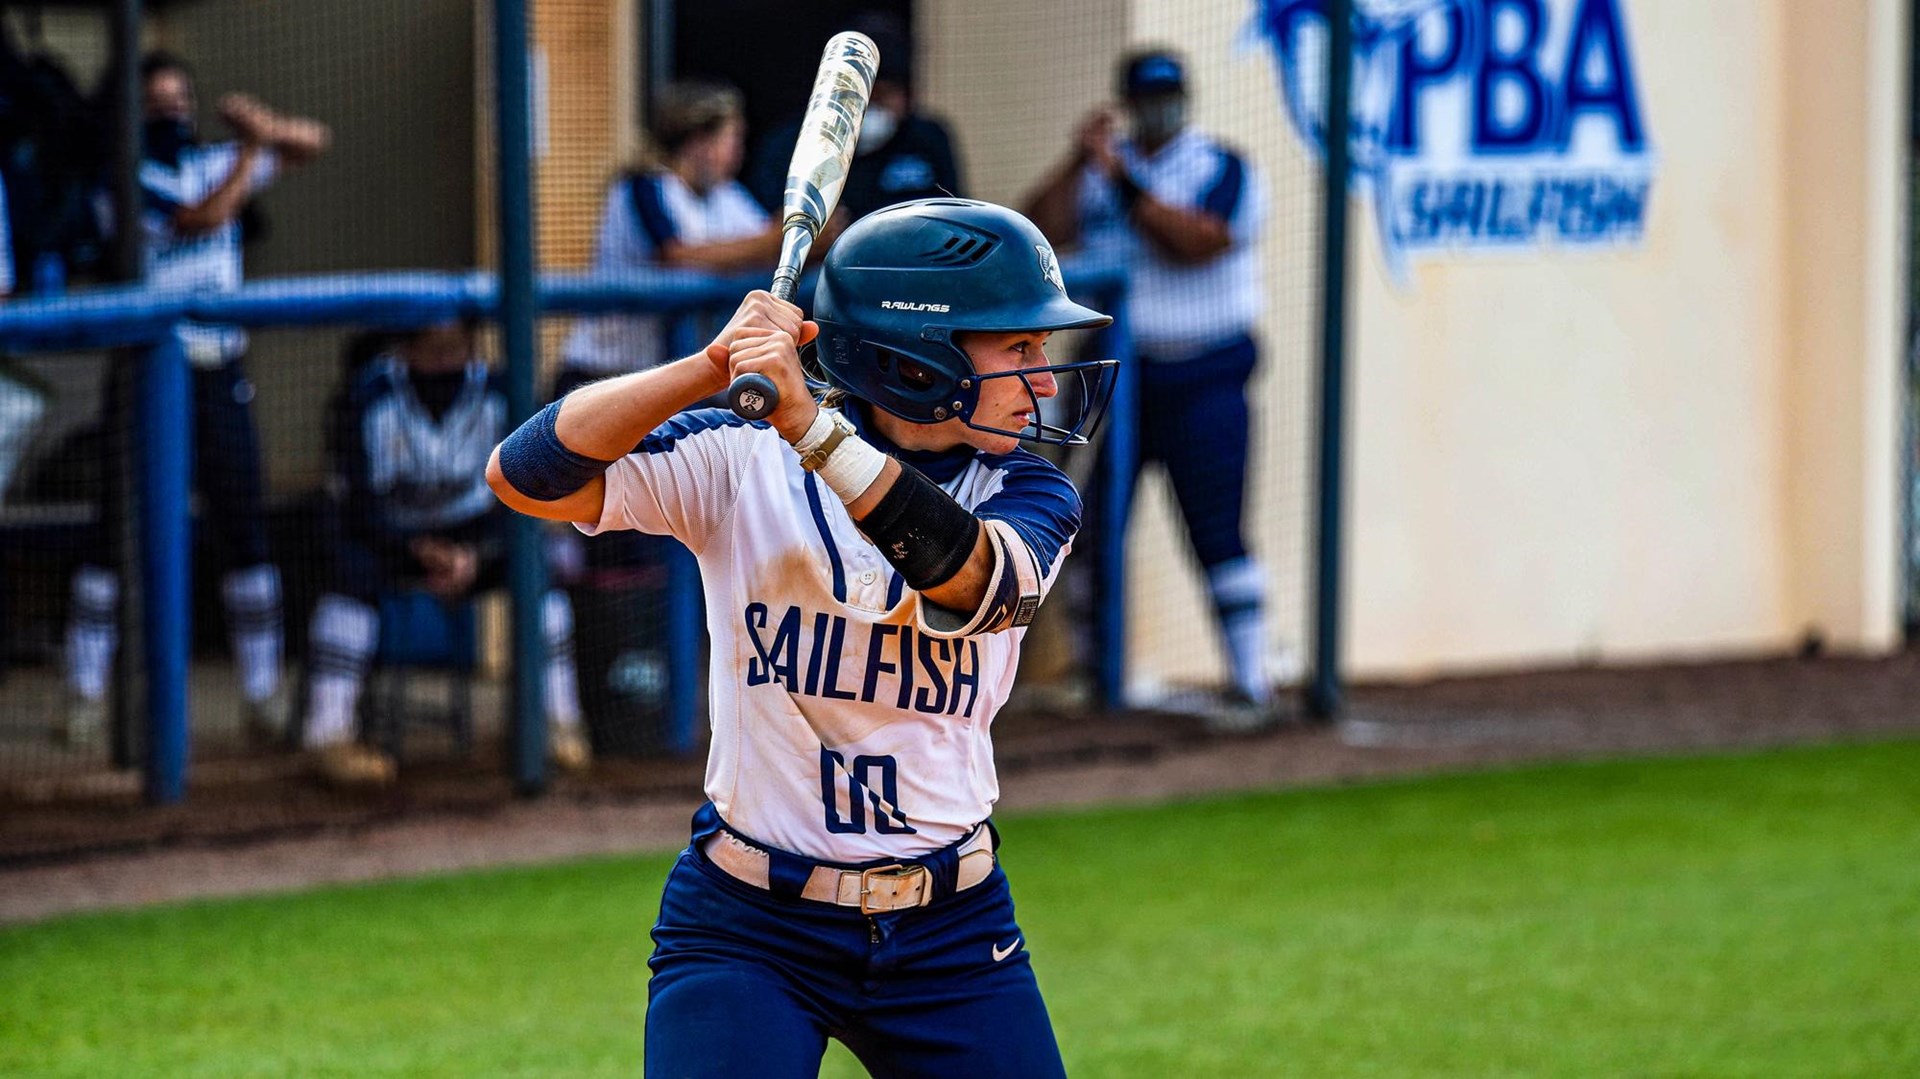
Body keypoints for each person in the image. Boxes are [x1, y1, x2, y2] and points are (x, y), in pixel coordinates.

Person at [488, 198, 1116, 1076]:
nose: (1045, 378)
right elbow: (524, 477)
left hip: (953, 931)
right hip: (749, 926)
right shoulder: (741, 460)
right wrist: (708, 366)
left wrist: (811, 427)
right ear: (921, 360)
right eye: (1019, 347)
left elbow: (972, 580)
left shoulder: (1034, 494)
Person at [56, 52, 330, 749]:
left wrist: (261, 130)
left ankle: (262, 695)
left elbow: (313, 143)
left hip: (218, 371)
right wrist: (251, 154)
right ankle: (84, 696)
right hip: (147, 370)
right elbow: (199, 219)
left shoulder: (216, 157)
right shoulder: (121, 175)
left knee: (244, 526)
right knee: (115, 531)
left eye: (181, 98)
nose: (172, 109)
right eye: (157, 100)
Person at [1024, 48, 1278, 727]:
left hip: (1204, 372)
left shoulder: (1220, 166)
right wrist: (1083, 159)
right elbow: (1036, 230)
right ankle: (1096, 672)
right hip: (1116, 375)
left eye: (1169, 95)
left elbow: (1198, 241)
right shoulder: (1102, 171)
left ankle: (1252, 682)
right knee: (1089, 525)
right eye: (1148, 97)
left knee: (1217, 531)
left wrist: (1124, 181)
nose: (1159, 108)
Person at [304, 321, 589, 786]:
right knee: (347, 574)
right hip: (391, 541)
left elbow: (529, 489)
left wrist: (476, 555)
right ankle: (328, 736)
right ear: (405, 349)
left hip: (477, 540)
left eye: (455, 350)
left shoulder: (502, 393)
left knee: (540, 570)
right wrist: (416, 549)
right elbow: (351, 505)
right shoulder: (365, 398)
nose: (446, 364)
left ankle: (559, 724)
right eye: (433, 352)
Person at [556, 80, 785, 394]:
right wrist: (772, 240)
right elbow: (674, 254)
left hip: (654, 376)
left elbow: (765, 243)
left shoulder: (724, 194)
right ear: (698, 141)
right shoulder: (642, 186)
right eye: (732, 139)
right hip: (599, 372)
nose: (738, 153)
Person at [746, 12, 964, 222]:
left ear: (907, 95)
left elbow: (955, 217)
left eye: (883, 94)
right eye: (860, 94)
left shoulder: (927, 139)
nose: (870, 107)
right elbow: (766, 231)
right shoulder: (794, 146)